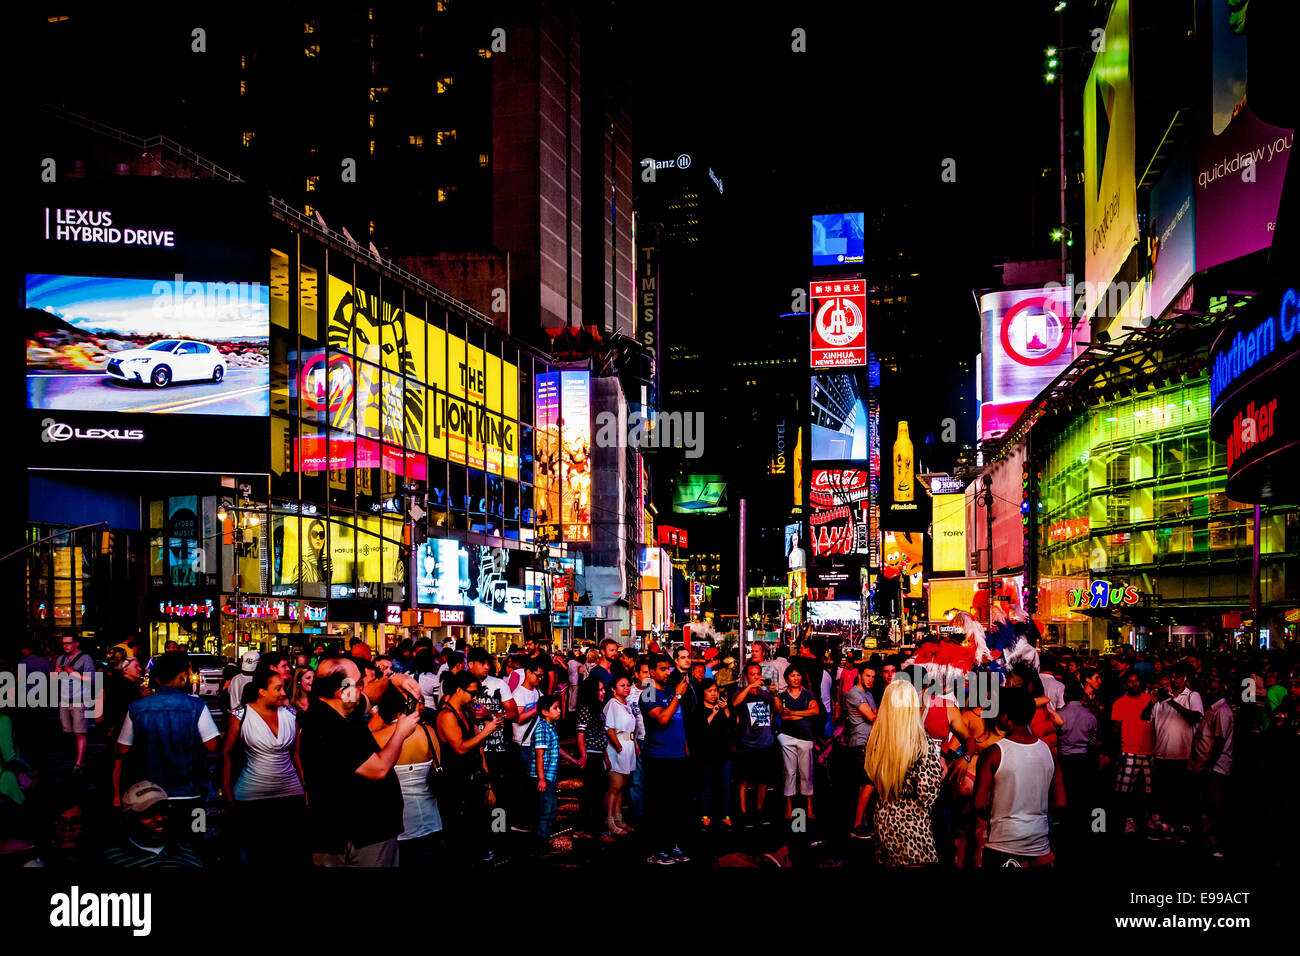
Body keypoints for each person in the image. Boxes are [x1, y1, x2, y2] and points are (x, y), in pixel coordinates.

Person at [299, 657, 421, 866]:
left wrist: (394, 680)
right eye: (358, 683)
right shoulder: (329, 726)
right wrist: (401, 732)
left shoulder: (340, 707)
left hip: (359, 833)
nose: (363, 687)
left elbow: (371, 696)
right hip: (359, 836)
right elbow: (379, 768)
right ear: (341, 691)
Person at [219, 669, 308, 866]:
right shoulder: (241, 715)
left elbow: (297, 754)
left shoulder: (290, 714)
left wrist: (305, 785)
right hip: (252, 795)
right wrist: (226, 790)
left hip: (290, 793)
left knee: (289, 852)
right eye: (278, 688)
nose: (284, 693)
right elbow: (226, 753)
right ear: (262, 691)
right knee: (257, 853)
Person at [113, 651, 220, 806]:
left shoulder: (136, 708)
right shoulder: (197, 706)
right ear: (182, 676)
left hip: (150, 793)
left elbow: (123, 749)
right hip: (190, 792)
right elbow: (212, 745)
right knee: (195, 829)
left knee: (156, 829)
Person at [974, 685, 1064, 867]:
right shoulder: (1048, 752)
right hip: (1041, 848)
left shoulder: (992, 754)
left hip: (1003, 845)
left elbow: (978, 805)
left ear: (1005, 717)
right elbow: (1061, 802)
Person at [862, 679, 945, 866]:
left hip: (883, 819)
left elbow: (870, 776)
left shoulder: (876, 742)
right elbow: (927, 795)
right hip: (912, 826)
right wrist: (939, 771)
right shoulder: (923, 746)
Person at [371, 685, 444, 867]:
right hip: (431, 819)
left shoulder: (377, 738)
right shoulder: (428, 732)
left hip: (399, 824)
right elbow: (438, 768)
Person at [435, 671, 503, 864]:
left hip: (472, 779)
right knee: (458, 829)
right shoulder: (447, 715)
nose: (474, 698)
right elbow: (460, 748)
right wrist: (487, 731)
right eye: (472, 693)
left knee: (479, 821)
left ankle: (481, 852)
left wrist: (488, 782)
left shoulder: (465, 712)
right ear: (458, 690)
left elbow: (478, 749)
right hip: (454, 781)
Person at [640, 653, 691, 864]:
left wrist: (686, 748)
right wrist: (678, 696)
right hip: (658, 757)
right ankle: (656, 849)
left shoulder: (671, 690)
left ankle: (672, 845)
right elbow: (662, 719)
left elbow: (680, 722)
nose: (667, 672)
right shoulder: (649, 694)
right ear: (652, 672)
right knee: (658, 805)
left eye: (668, 669)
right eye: (662, 669)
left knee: (676, 805)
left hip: (678, 756)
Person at [1148, 665, 1203, 838]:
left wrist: (1171, 702)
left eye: (1178, 676)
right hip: (1161, 754)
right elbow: (1147, 719)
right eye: (1172, 676)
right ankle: (1163, 828)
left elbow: (1195, 716)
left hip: (1182, 755)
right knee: (1161, 794)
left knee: (1180, 794)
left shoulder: (1192, 696)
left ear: (1185, 677)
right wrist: (1155, 701)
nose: (1174, 679)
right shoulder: (1162, 699)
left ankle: (1181, 828)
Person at [102, 781, 203, 868]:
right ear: (129, 817)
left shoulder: (185, 852)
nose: (159, 818)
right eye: (149, 813)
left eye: (163, 811)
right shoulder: (114, 858)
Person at [1188, 675, 1233, 857]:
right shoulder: (1212, 708)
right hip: (1206, 764)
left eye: (1213, 689)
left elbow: (1220, 741)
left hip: (1216, 766)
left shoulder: (1222, 711)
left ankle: (1215, 843)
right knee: (1205, 803)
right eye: (1208, 688)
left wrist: (1209, 765)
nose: (1209, 692)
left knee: (1214, 805)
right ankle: (1206, 839)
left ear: (1222, 690)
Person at [1055, 677, 1100, 859]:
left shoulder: (1060, 715)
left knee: (1067, 795)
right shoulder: (1090, 716)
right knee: (1082, 796)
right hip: (1083, 760)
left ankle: (1066, 828)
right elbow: (1093, 742)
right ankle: (1085, 830)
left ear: (1065, 695)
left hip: (1065, 760)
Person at [530, 694, 580, 852]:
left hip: (549, 777)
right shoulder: (541, 729)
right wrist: (542, 779)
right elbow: (539, 755)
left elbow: (556, 749)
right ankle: (540, 844)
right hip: (543, 777)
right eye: (555, 708)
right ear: (545, 712)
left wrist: (572, 760)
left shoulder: (551, 727)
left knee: (550, 810)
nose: (559, 711)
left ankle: (544, 841)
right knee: (545, 811)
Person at [1111, 670, 1156, 837]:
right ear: (1125, 684)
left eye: (1136, 681)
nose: (1133, 684)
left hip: (1149, 751)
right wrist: (1117, 753)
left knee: (1150, 791)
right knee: (1125, 792)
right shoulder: (1119, 703)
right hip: (1127, 751)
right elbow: (1115, 730)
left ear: (1141, 682)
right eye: (1130, 682)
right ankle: (1129, 820)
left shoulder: (1150, 700)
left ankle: (1149, 819)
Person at [732, 661, 777, 827]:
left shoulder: (765, 695)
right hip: (748, 744)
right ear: (746, 677)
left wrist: (775, 694)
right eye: (753, 674)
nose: (757, 677)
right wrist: (748, 687)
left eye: (758, 673)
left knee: (763, 780)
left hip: (765, 743)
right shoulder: (740, 693)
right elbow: (735, 703)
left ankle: (759, 811)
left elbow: (776, 710)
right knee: (744, 780)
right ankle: (743, 813)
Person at [774, 662, 818, 820]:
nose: (796, 678)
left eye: (798, 675)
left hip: (805, 737)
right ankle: (789, 806)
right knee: (790, 772)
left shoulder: (807, 694)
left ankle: (808, 806)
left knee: (806, 773)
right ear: (787, 678)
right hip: (787, 737)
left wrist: (794, 713)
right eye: (792, 675)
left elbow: (816, 710)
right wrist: (803, 713)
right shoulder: (782, 696)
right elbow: (783, 715)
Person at [688, 678, 733, 831]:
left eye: (715, 690)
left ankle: (725, 817)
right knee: (706, 787)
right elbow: (699, 731)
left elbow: (732, 724)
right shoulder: (697, 709)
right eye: (710, 691)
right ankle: (704, 817)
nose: (714, 694)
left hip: (724, 753)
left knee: (725, 786)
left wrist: (726, 709)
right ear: (703, 693)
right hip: (706, 754)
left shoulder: (721, 707)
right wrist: (713, 714)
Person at [843, 661, 879, 839]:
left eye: (873, 676)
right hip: (859, 742)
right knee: (869, 783)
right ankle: (856, 825)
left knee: (865, 785)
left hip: (869, 743)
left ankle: (862, 822)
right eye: (867, 675)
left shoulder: (869, 694)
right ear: (859, 675)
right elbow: (873, 716)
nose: (870, 679)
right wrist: (875, 714)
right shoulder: (854, 694)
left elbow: (874, 714)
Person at [53, 634, 97, 775]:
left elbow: (92, 680)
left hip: (80, 699)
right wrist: (56, 673)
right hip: (64, 699)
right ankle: (83, 756)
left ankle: (79, 763)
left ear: (76, 644)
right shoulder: (61, 658)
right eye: (63, 643)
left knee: (80, 732)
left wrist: (73, 673)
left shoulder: (85, 659)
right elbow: (54, 680)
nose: (65, 646)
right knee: (68, 732)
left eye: (69, 643)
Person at [574, 675, 609, 839]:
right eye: (600, 690)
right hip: (590, 756)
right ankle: (585, 829)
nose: (603, 692)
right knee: (590, 793)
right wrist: (584, 756)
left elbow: (602, 736)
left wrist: (606, 757)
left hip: (599, 755)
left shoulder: (598, 710)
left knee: (597, 792)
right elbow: (580, 735)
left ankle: (587, 828)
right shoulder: (585, 710)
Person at [602, 675, 638, 836]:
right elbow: (609, 728)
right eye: (622, 685)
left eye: (628, 685)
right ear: (613, 688)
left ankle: (619, 819)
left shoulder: (627, 705)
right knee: (614, 787)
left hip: (629, 746)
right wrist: (618, 747)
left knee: (622, 787)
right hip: (618, 747)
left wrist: (634, 744)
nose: (626, 687)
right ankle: (609, 821)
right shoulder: (612, 704)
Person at [102, 655, 145, 747]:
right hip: (122, 728)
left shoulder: (132, 684)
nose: (140, 669)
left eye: (139, 666)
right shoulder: (125, 685)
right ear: (125, 670)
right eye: (136, 666)